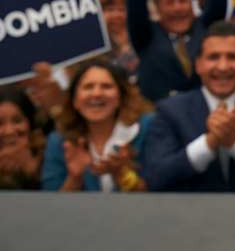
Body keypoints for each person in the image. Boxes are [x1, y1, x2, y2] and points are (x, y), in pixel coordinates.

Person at [143, 22, 235, 192]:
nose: (223, 67)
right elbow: (156, 176)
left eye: (232, 57)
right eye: (213, 57)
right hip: (192, 215)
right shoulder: (170, 110)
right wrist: (209, 143)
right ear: (198, 65)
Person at [42, 61, 154, 192]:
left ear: (120, 98)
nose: (96, 93)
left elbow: (161, 196)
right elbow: (51, 208)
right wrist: (75, 177)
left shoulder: (147, 128)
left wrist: (122, 175)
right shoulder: (59, 142)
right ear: (75, 101)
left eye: (106, 86)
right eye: (88, 87)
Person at [0, 89, 44, 190]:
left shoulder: (50, 158)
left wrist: (34, 173)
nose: (9, 131)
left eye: (17, 121)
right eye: (0, 123)